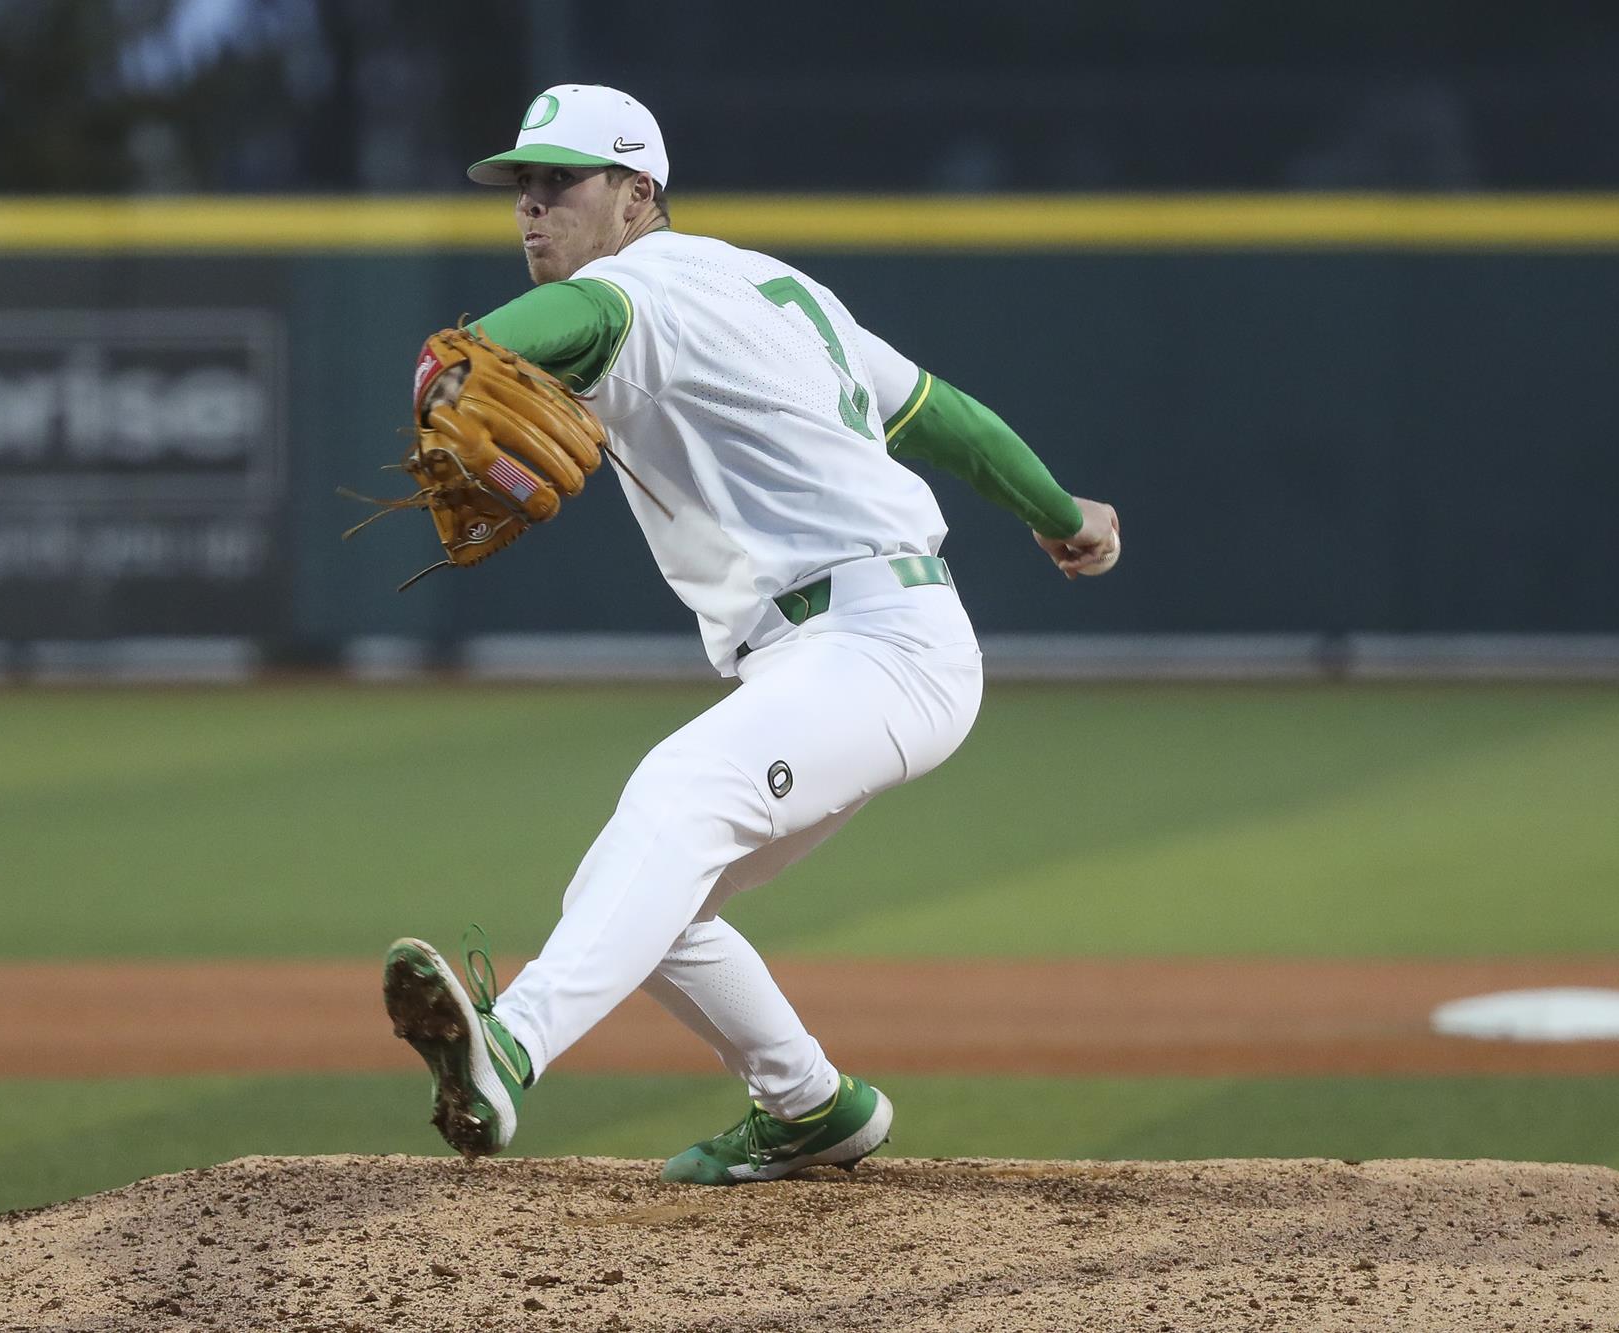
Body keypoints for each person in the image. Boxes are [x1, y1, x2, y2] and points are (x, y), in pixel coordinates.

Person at [382, 83, 1120, 1185]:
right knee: (644, 897)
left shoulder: (636, 290)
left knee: (676, 796)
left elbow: (549, 330)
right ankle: (810, 1105)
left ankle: (512, 1042)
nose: (531, 209)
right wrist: (1063, 516)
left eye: (559, 183)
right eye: (520, 188)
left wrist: (457, 358)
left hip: (876, 646)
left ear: (637, 193)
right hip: (851, 648)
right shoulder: (773, 287)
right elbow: (941, 413)